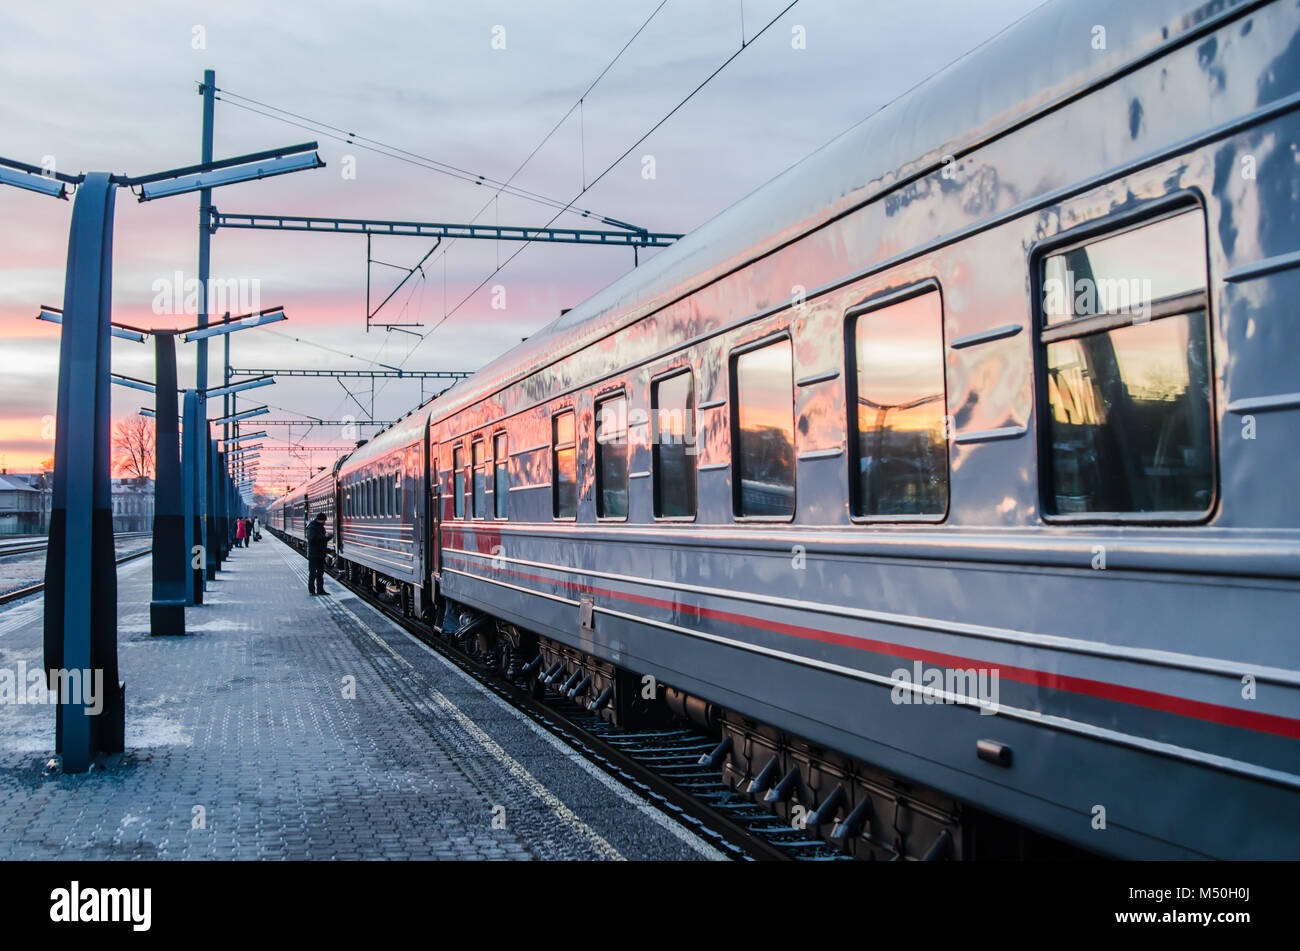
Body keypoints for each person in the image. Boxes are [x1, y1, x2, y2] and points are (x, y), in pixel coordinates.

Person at [306, 512, 331, 595]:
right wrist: (325, 537)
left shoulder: (321, 527)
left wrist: (328, 537)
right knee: (313, 573)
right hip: (313, 554)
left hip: (320, 553)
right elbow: (312, 539)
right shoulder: (312, 527)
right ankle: (311, 591)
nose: (324, 522)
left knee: (320, 573)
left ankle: (320, 590)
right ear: (319, 520)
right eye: (323, 521)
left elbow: (322, 540)